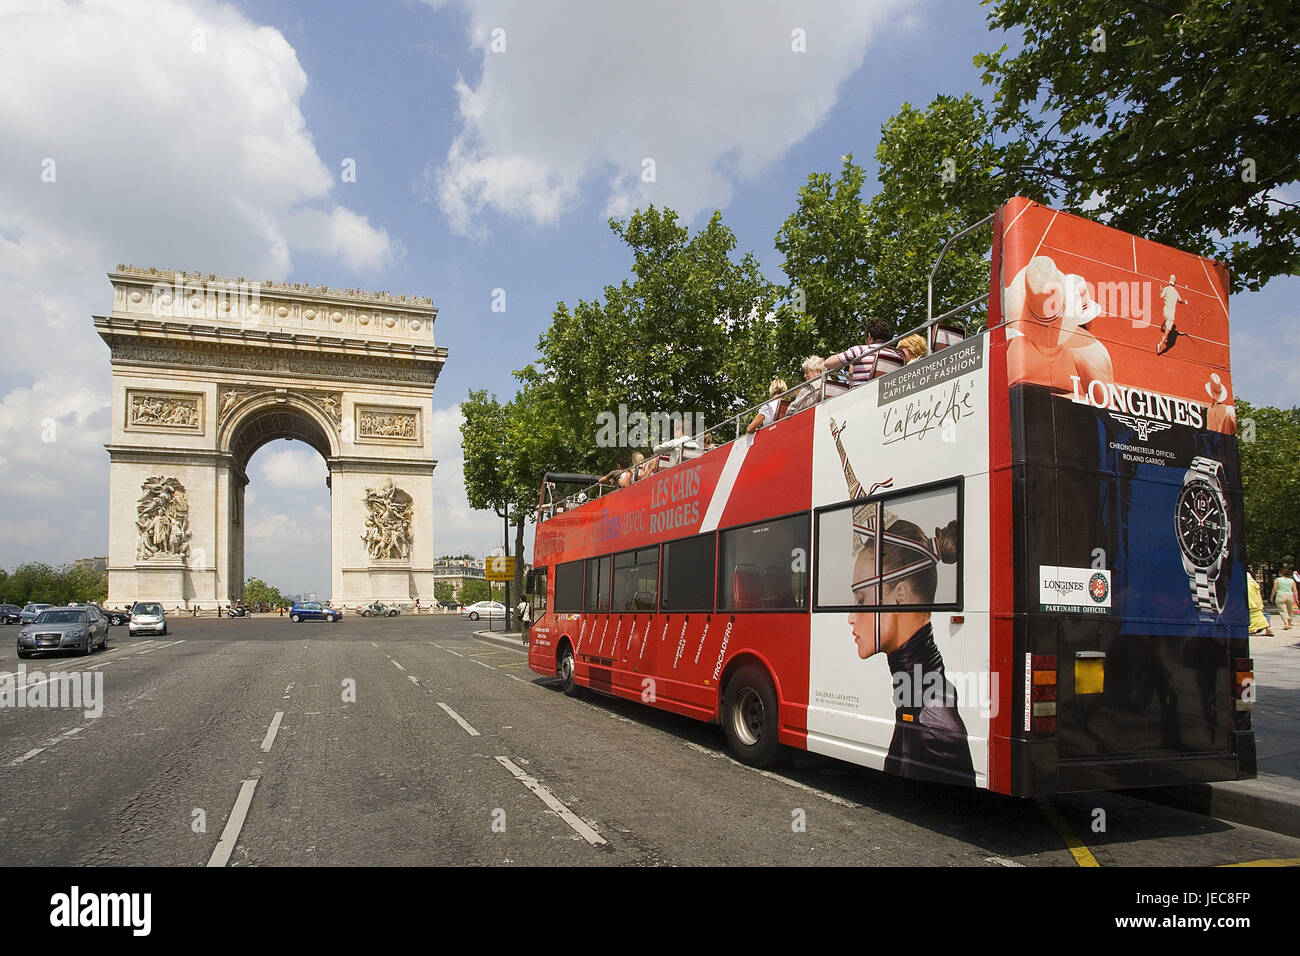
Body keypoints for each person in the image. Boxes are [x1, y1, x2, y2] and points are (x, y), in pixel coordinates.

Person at [825, 317, 894, 387]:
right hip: (889, 392)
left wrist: (851, 361)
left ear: (869, 336)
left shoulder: (860, 350)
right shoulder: (899, 355)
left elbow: (828, 363)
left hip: (862, 393)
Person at [1156, 275, 1187, 355]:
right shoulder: (1176, 293)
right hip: (1171, 314)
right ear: (1175, 283)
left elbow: (1161, 296)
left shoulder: (1166, 289)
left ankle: (1163, 327)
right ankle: (1160, 344)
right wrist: (1185, 302)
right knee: (1167, 333)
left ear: (1169, 281)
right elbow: (1180, 301)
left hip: (1165, 311)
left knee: (1166, 322)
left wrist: (1161, 290)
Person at [1247, 571, 1273, 636]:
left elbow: (1249, 594)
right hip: (1257, 603)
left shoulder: (1247, 584)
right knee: (1259, 617)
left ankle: (1252, 629)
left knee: (1254, 617)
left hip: (1251, 603)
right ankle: (1267, 630)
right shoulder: (1254, 583)